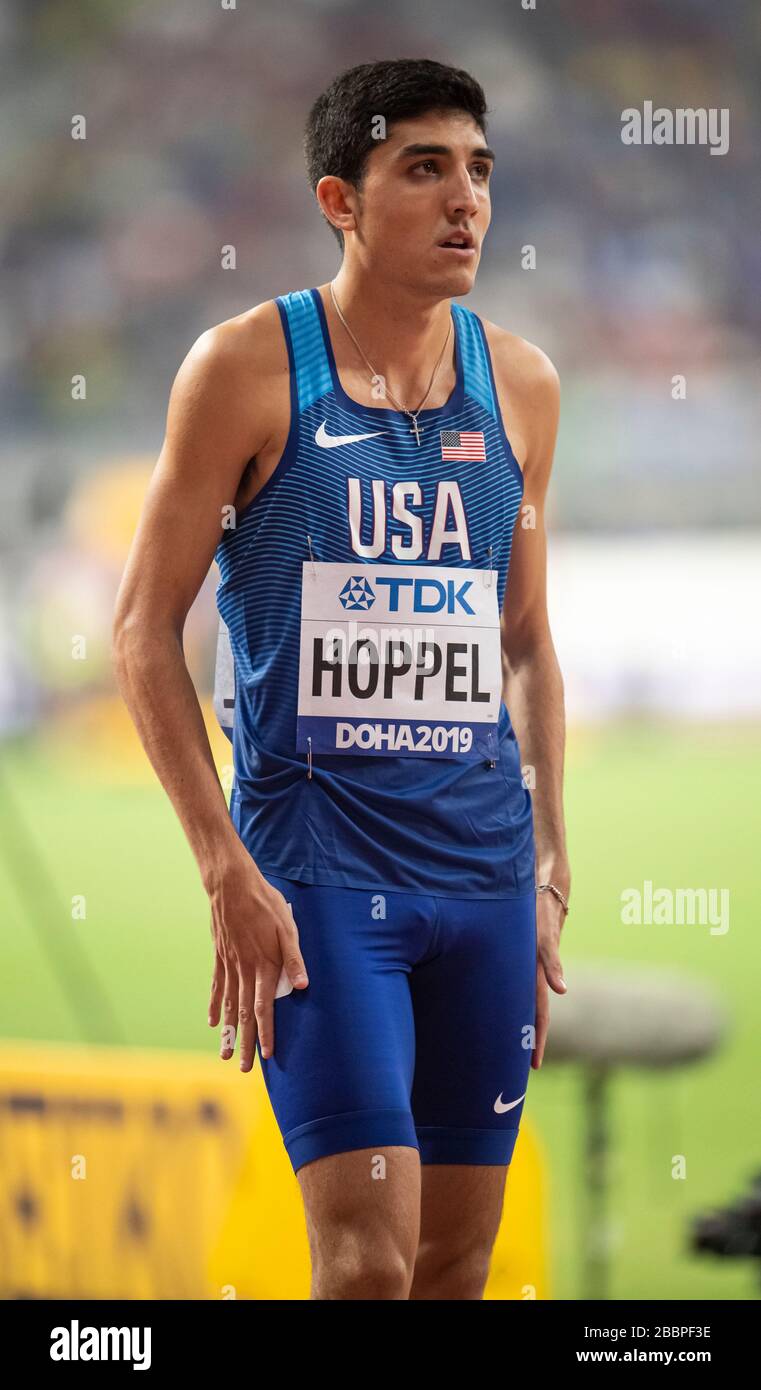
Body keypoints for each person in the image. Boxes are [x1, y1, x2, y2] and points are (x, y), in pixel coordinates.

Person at [112, 57, 570, 1301]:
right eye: (422, 168)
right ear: (341, 199)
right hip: (315, 883)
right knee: (365, 1263)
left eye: (477, 169)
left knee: (454, 1263)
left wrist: (545, 850)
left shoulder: (520, 385)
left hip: (480, 873)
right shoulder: (246, 368)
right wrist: (223, 864)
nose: (463, 198)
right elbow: (142, 629)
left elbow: (523, 641)